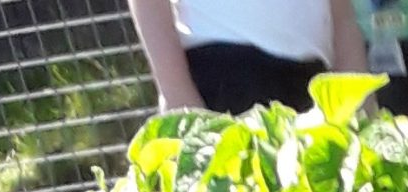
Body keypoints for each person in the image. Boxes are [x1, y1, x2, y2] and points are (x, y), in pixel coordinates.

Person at [125, 0, 367, 112]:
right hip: (221, 83)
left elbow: (342, 14)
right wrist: (180, 99)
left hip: (315, 89)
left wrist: (360, 105)